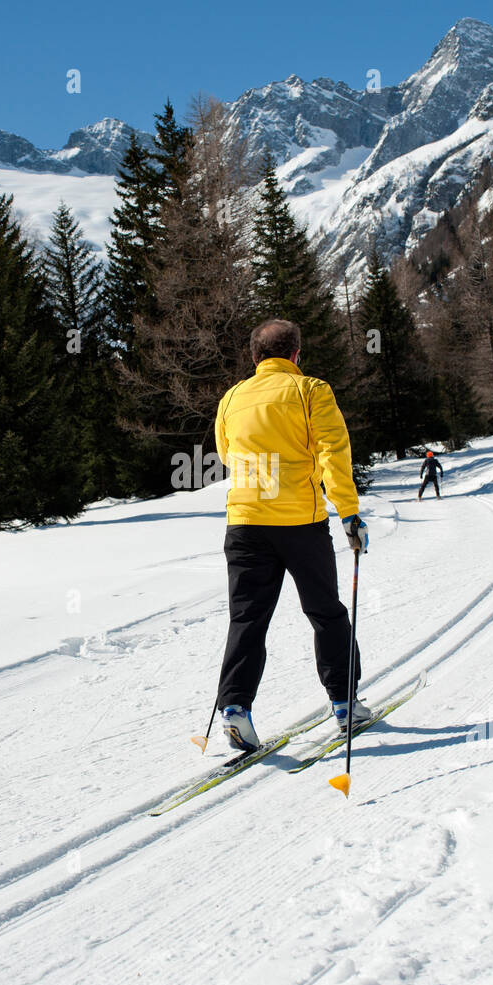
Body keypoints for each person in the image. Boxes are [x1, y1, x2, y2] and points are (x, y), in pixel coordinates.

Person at [213, 318, 373, 753]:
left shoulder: (231, 398)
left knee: (247, 618)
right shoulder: (311, 390)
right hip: (300, 522)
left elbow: (227, 453)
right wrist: (349, 513)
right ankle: (344, 703)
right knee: (325, 613)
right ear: (296, 355)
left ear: (254, 357)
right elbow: (333, 452)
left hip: (244, 523)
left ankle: (235, 709)